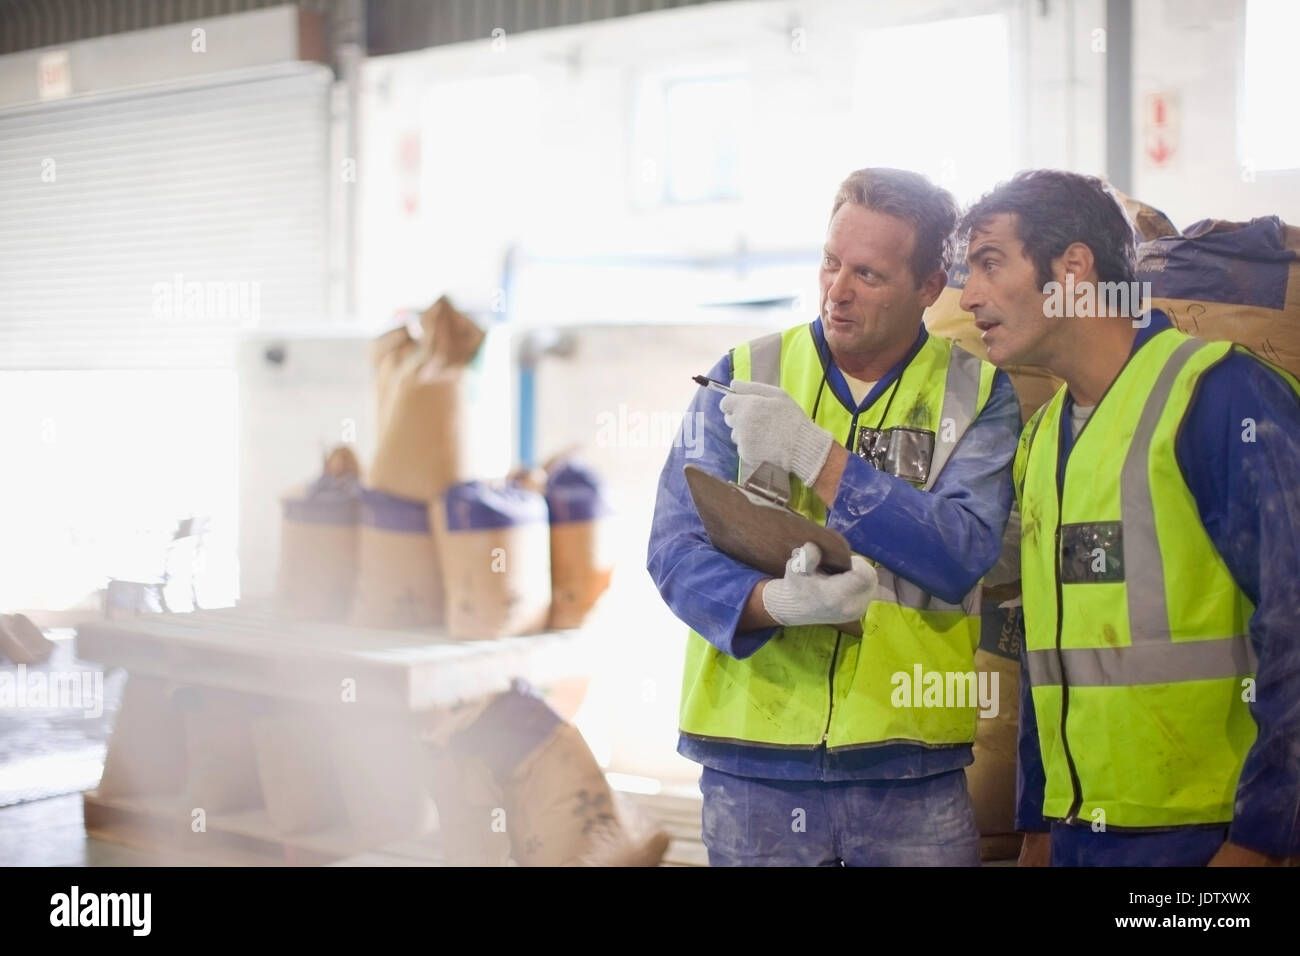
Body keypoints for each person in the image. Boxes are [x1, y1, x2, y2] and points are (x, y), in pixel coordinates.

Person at [646, 167, 1020, 866]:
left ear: (929, 290)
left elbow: (962, 550)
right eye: (830, 262)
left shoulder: (978, 394)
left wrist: (815, 455)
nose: (837, 291)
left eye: (870, 275)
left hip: (908, 766)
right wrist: (772, 603)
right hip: (753, 765)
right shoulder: (744, 372)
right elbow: (673, 550)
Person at [957, 169, 1300, 866]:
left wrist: (1261, 840)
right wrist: (1039, 822)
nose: (968, 298)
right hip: (1079, 834)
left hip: (1204, 839)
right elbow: (1043, 649)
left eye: (990, 264)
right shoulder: (1043, 436)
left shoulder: (1217, 396)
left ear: (1073, 268)